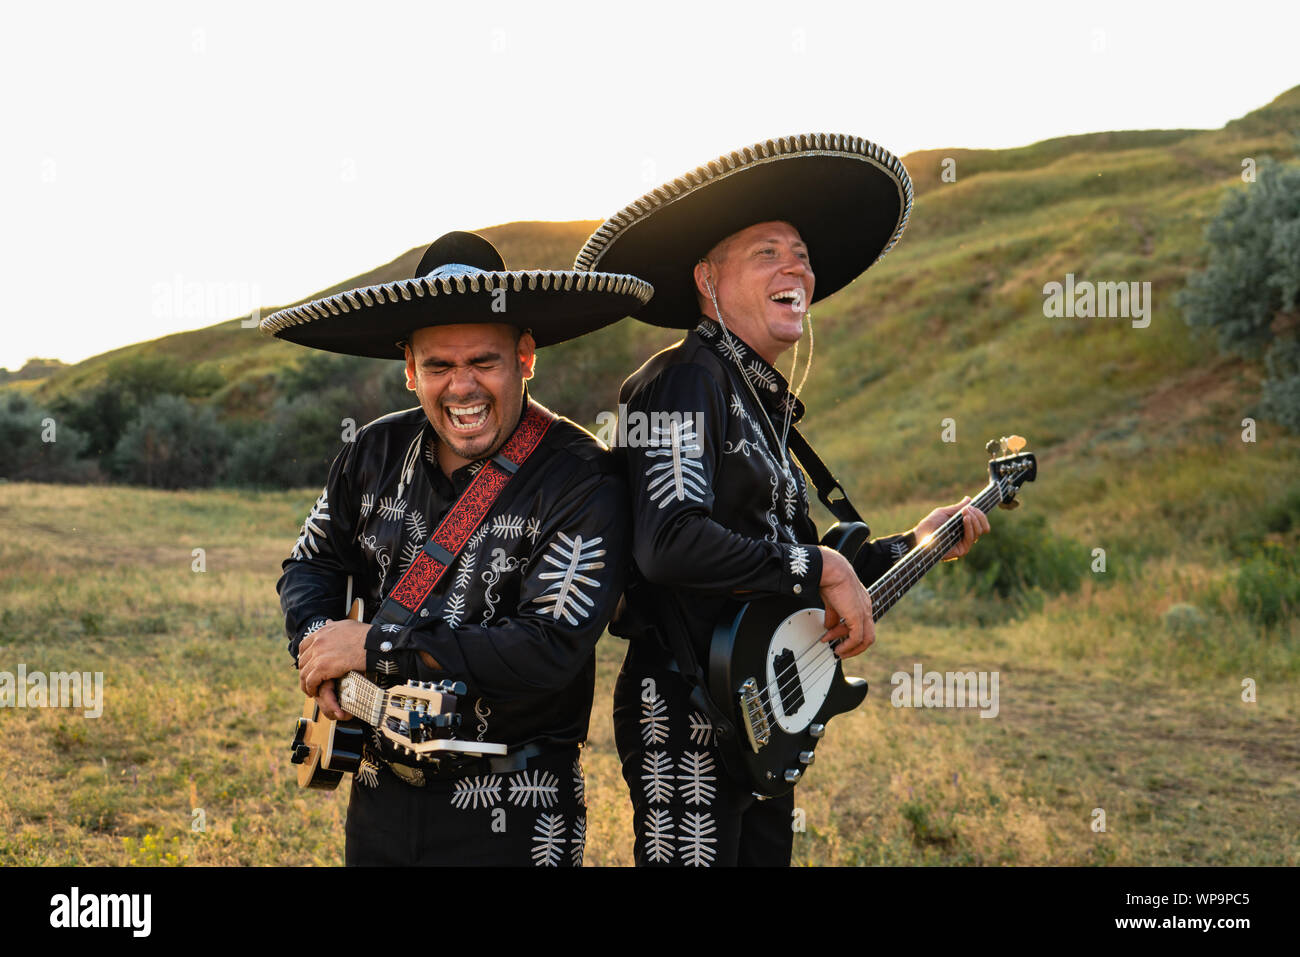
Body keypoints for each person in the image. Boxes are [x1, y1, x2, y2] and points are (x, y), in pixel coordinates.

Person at [575, 134, 991, 866]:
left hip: (758, 714)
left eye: (800, 252)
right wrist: (818, 566)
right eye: (768, 251)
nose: (796, 265)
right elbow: (668, 541)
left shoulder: (760, 401)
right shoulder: (682, 379)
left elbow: (786, 568)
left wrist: (912, 545)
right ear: (708, 279)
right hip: (686, 708)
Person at [263, 230, 651, 866]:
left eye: (484, 362)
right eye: (439, 366)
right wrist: (316, 642)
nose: (461, 387)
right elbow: (313, 562)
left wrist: (373, 645)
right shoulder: (372, 453)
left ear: (525, 356)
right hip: (378, 793)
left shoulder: (585, 478)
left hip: (518, 811)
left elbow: (549, 649)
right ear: (410, 368)